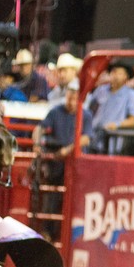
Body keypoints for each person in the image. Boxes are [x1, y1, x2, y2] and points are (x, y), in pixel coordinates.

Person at [33, 79, 92, 238]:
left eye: (75, 98)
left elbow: (86, 138)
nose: (71, 101)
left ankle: (63, 235)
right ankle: (47, 232)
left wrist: (68, 149)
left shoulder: (85, 115)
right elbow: (40, 128)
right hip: (56, 162)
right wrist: (37, 142)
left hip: (74, 163)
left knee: (71, 199)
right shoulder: (56, 112)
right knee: (51, 196)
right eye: (69, 97)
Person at [87, 59, 134, 155]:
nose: (115, 75)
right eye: (113, 72)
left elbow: (133, 121)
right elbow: (89, 110)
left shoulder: (131, 94)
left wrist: (116, 124)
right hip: (93, 140)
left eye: (119, 73)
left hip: (113, 143)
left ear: (126, 76)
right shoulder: (100, 90)